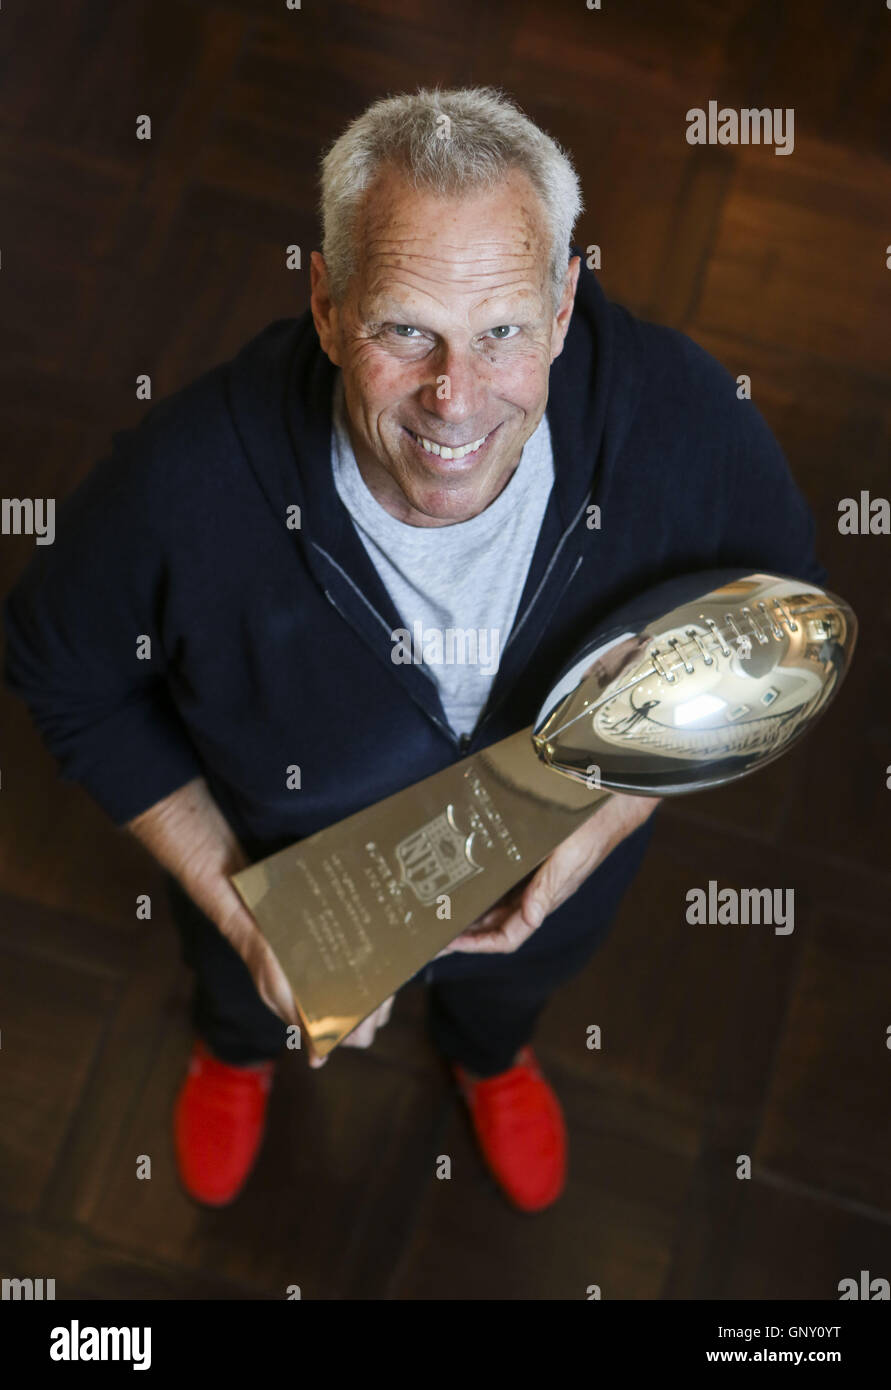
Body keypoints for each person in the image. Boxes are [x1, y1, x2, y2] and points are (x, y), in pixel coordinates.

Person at [2, 86, 826, 1214]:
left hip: (554, 889)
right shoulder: (184, 480)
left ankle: (490, 1057)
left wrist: (604, 820)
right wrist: (246, 916)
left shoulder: (677, 411)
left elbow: (777, 618)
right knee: (241, 1001)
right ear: (327, 305)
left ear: (562, 305)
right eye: (405, 330)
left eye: (502, 331)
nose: (455, 399)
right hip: (280, 894)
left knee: (509, 994)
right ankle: (232, 1056)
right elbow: (63, 675)